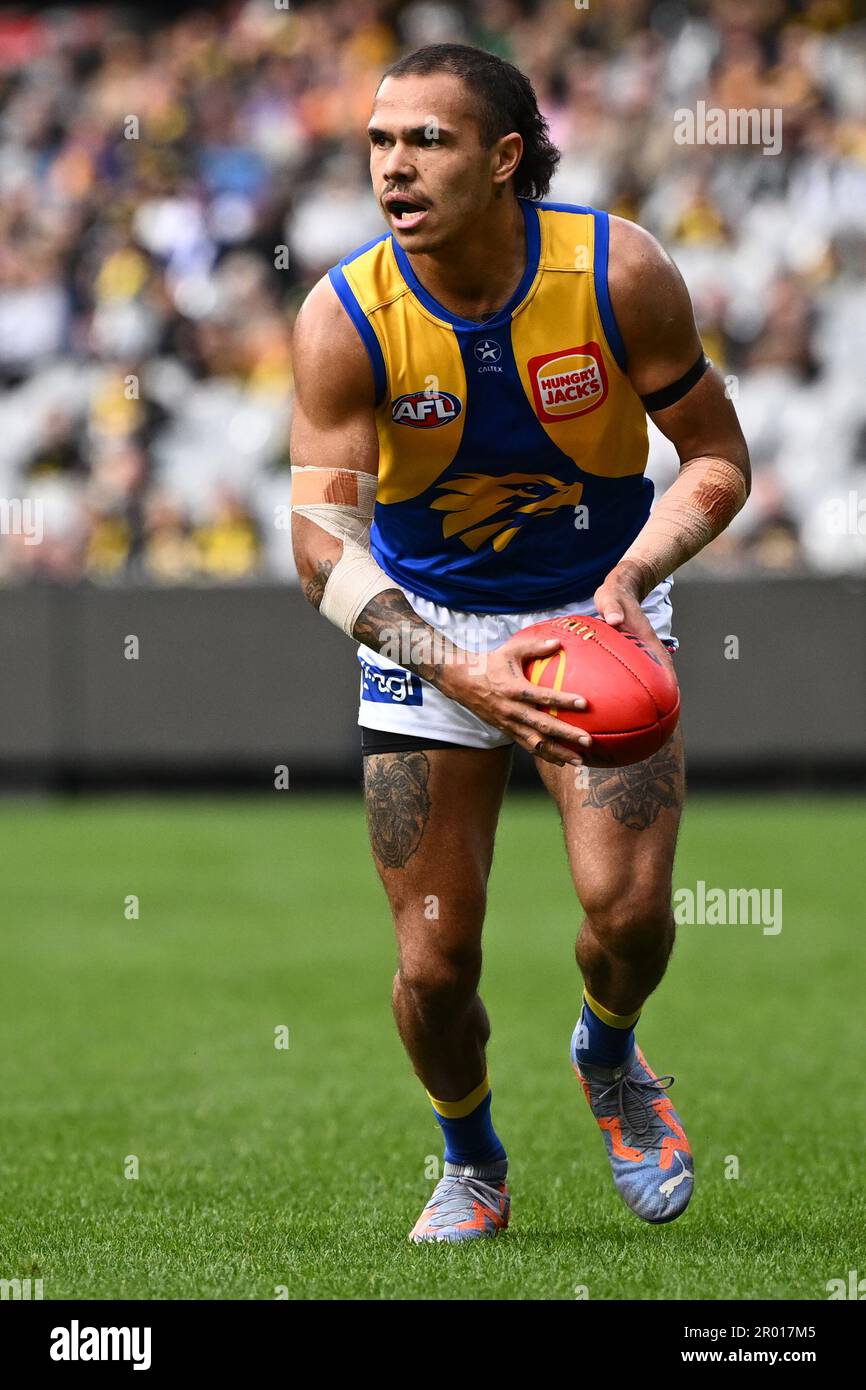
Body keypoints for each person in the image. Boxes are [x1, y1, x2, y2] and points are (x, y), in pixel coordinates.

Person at [290, 43, 749, 1242]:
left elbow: (717, 458)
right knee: (434, 971)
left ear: (503, 159)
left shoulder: (618, 270)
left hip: (589, 611)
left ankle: (606, 1055)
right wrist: (454, 665)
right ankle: (471, 1158)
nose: (393, 166)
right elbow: (316, 547)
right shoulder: (343, 316)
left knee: (630, 916)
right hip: (426, 634)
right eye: (380, 142)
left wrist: (633, 573)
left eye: (425, 141)